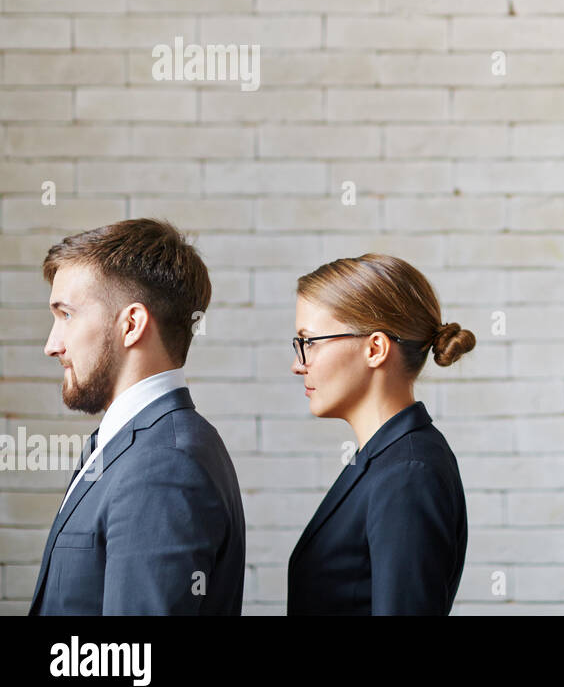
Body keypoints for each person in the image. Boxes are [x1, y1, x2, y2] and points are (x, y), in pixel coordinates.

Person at [31, 218, 245, 615]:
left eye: (66, 315)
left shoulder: (164, 464)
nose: (52, 345)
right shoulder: (131, 444)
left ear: (131, 325)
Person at [287, 253, 472, 615]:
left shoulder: (408, 472)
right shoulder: (388, 459)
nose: (298, 364)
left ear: (375, 348)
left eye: (309, 342)